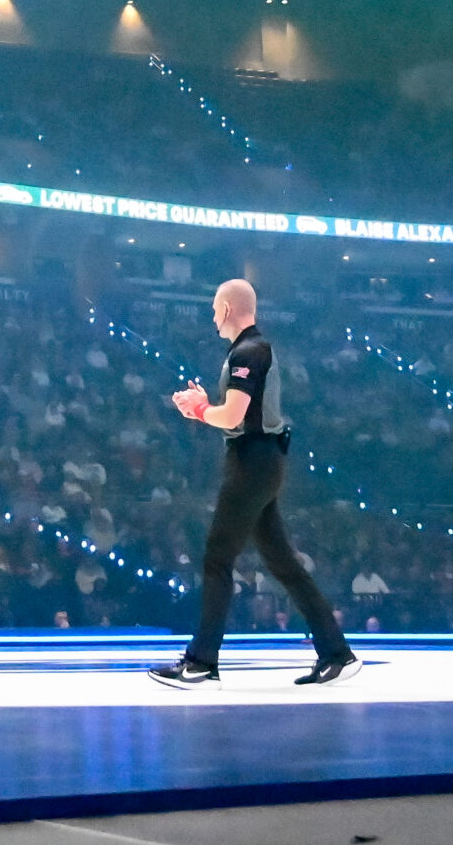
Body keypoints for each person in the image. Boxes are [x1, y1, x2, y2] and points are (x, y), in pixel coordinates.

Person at [151, 278, 360, 688]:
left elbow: (231, 416)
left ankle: (201, 661)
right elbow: (235, 414)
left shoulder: (248, 352)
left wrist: (200, 409)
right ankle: (337, 652)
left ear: (227, 309)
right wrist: (203, 409)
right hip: (261, 461)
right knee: (282, 562)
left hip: (252, 463)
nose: (213, 317)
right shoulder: (251, 350)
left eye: (215, 309)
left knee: (218, 558)